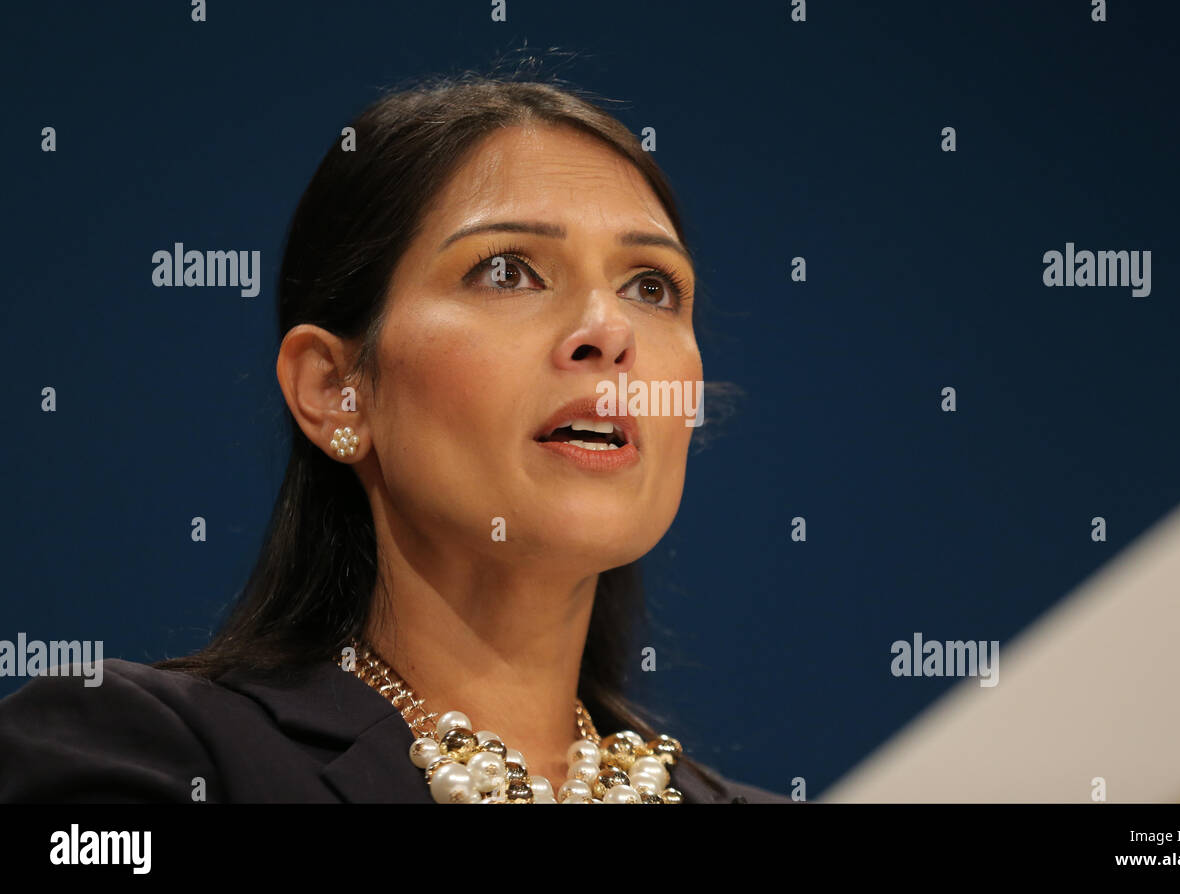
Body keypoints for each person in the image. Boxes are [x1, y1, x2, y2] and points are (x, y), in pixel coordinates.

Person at [0, 75, 788, 805]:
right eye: (508, 271)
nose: (608, 331)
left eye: (651, 286)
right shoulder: (144, 756)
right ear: (335, 389)